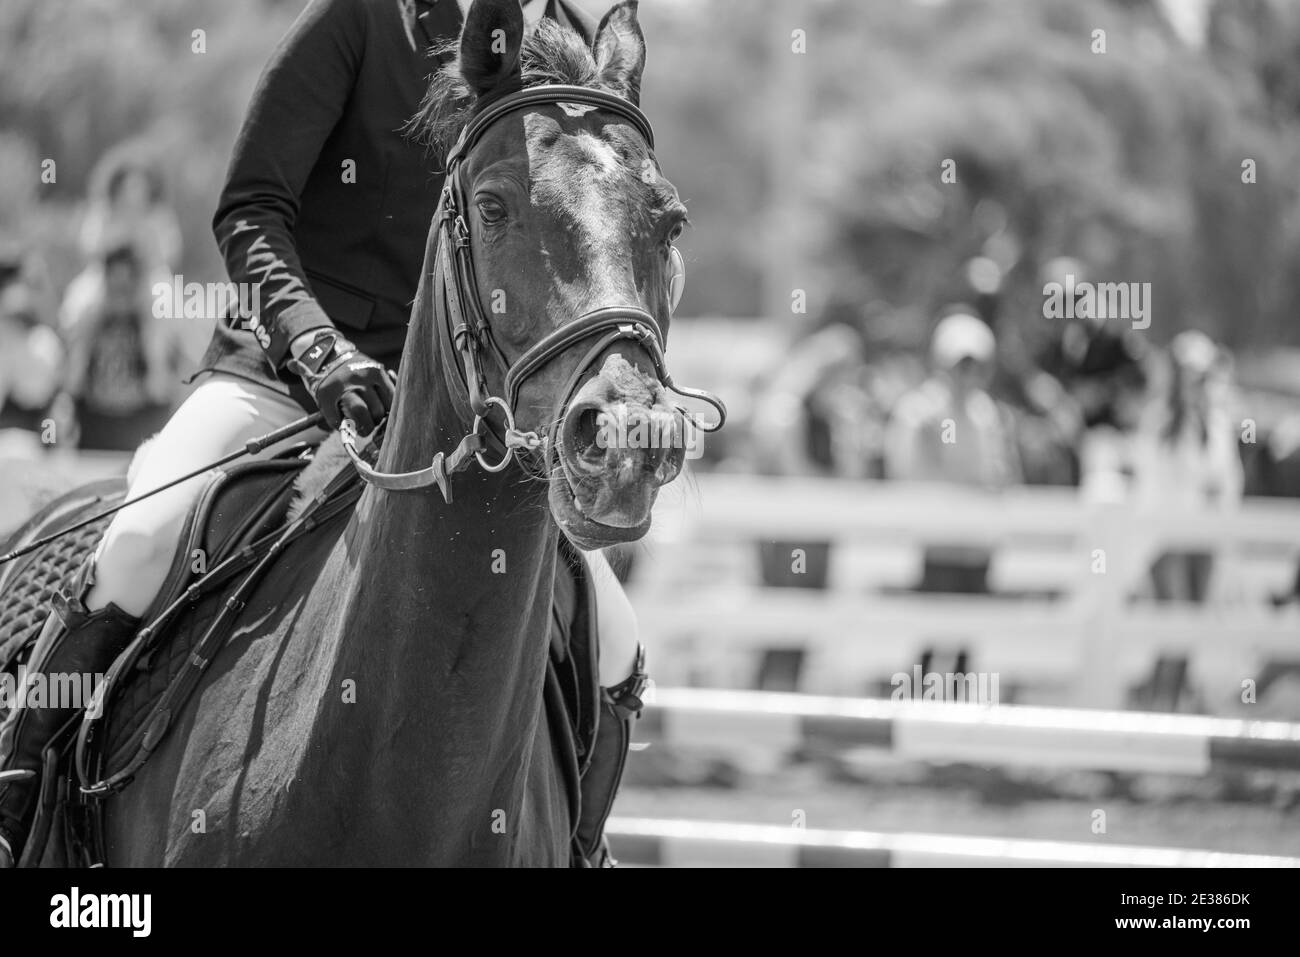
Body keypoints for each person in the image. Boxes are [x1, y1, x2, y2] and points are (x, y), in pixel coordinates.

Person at [0, 0, 640, 867]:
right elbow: (250, 206)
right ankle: (25, 816)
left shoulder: (551, 39)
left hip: (457, 409)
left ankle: (581, 846)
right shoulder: (357, 20)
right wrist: (315, 345)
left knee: (617, 641)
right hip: (287, 377)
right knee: (137, 543)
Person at [884, 310, 1022, 592]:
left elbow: (1003, 472)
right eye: (962, 365)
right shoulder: (919, 412)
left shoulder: (987, 413)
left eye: (976, 365)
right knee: (937, 625)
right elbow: (908, 474)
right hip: (935, 544)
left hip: (978, 544)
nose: (968, 374)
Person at [1132, 330, 1243, 602]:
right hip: (1166, 538)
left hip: (1206, 539)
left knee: (1194, 624)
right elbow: (1154, 481)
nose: (1194, 382)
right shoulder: (1158, 422)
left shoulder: (1217, 425)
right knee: (1174, 621)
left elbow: (1229, 480)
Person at [60, 242, 177, 451]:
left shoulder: (152, 325)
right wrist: (88, 329)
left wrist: (149, 331)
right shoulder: (89, 321)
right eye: (114, 282)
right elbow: (72, 384)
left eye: (126, 284)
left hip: (139, 429)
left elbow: (160, 389)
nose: (120, 293)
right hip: (95, 429)